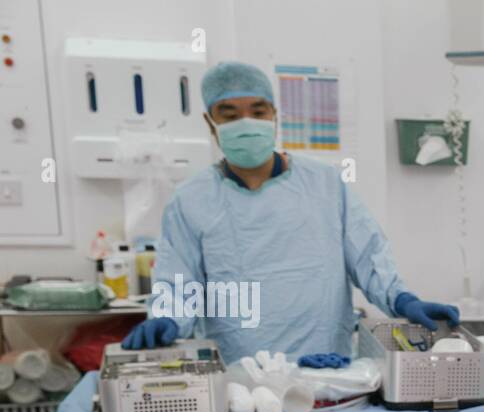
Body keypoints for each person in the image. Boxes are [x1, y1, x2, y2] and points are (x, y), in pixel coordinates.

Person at [121, 61, 457, 364]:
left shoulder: (325, 184)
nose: (246, 122)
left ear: (274, 115)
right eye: (229, 114)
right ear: (210, 123)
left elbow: (369, 256)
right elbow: (179, 280)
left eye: (258, 110)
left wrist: (402, 300)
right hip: (241, 374)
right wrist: (166, 317)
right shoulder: (190, 200)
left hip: (326, 366)